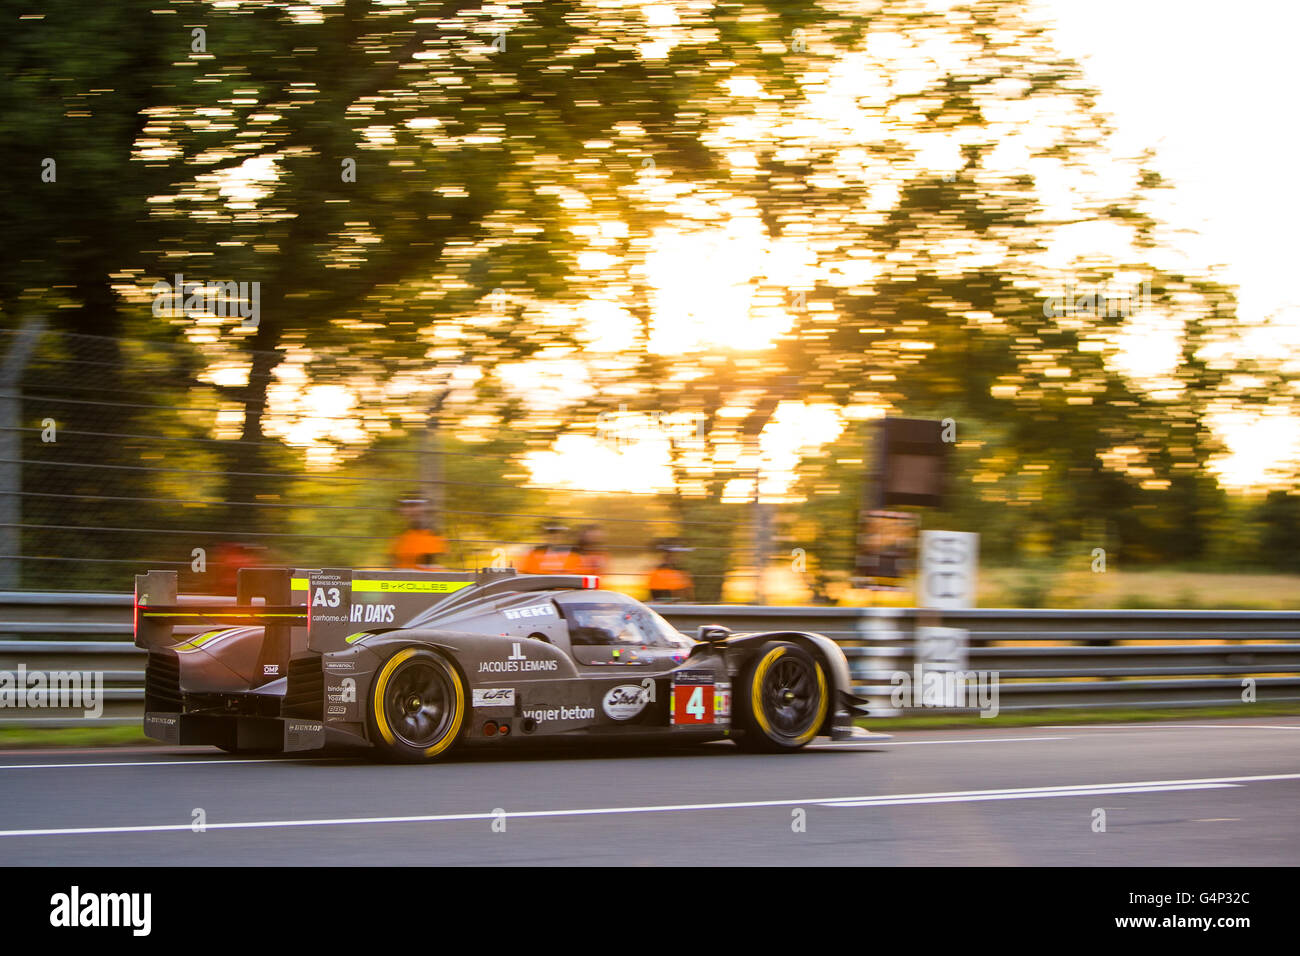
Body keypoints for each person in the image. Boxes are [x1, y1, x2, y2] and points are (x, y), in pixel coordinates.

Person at [390, 494, 448, 570]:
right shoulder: (399, 539)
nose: (413, 511)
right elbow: (394, 567)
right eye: (408, 506)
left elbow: (436, 567)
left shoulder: (434, 538)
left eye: (415, 506)